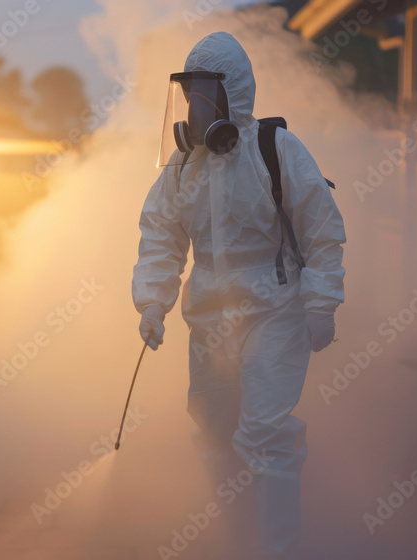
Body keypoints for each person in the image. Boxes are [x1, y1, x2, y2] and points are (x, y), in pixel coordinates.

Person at [132, 32, 346, 560]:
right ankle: (235, 536)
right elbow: (161, 235)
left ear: (234, 93)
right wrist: (153, 302)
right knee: (212, 425)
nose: (196, 107)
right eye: (191, 95)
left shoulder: (276, 149)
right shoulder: (184, 164)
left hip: (275, 309)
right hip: (209, 314)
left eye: (207, 94)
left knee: (265, 432)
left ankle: (278, 549)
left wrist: (320, 302)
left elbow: (321, 230)